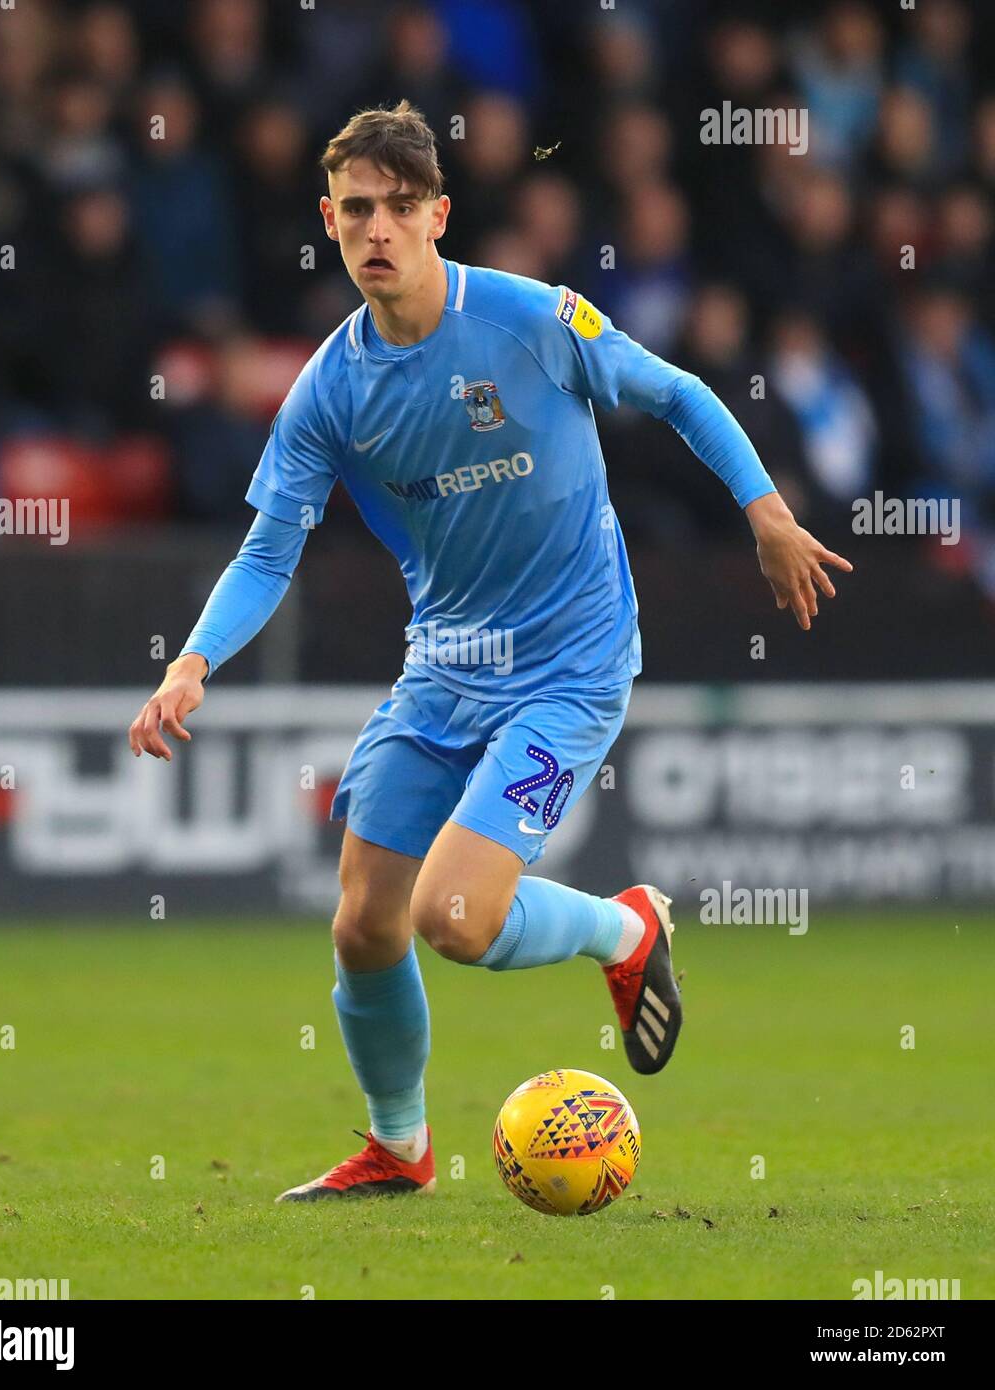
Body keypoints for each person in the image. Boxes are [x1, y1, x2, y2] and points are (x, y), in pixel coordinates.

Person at [127, 102, 852, 1201]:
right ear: (329, 220)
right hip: (444, 663)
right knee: (364, 921)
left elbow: (678, 391)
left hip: (571, 661)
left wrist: (762, 509)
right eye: (357, 209)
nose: (378, 228)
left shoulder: (530, 319)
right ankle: (400, 1146)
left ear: (437, 216)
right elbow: (269, 548)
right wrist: (191, 663)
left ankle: (623, 925)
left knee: (451, 918)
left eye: (400, 207)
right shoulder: (328, 389)